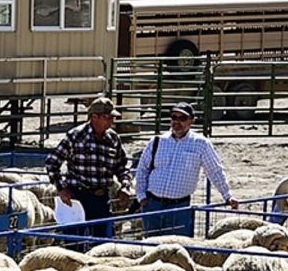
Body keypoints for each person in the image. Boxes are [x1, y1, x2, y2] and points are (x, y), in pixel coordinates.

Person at [133, 102, 238, 236]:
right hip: (153, 205)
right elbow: (142, 169)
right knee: (151, 248)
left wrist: (227, 196)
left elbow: (214, 171)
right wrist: (142, 197)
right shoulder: (157, 141)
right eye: (174, 117)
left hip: (179, 208)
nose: (177, 122)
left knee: (178, 251)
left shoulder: (201, 144)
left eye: (182, 118)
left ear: (191, 121)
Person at [45, 96, 132, 239]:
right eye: (108, 117)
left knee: (104, 243)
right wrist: (61, 188)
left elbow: (121, 165)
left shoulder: (113, 138)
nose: (112, 121)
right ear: (94, 117)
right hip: (77, 198)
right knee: (74, 243)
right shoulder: (76, 136)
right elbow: (52, 162)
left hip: (101, 198)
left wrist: (125, 185)